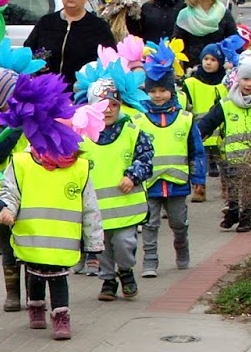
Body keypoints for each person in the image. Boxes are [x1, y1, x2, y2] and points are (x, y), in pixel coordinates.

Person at [0, 126, 104, 340]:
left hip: (63, 239)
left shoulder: (79, 167)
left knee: (58, 277)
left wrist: (93, 240)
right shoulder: (21, 162)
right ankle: (36, 306)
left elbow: (90, 206)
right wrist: (7, 209)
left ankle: (61, 316)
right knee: (35, 272)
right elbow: (10, 190)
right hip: (32, 233)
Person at [83, 84, 153, 301]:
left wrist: (132, 176)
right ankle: (108, 279)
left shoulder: (132, 131)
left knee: (124, 243)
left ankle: (125, 270)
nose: (108, 110)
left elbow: (146, 158)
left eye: (114, 104)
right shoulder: (82, 135)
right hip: (96, 208)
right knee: (101, 246)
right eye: (102, 105)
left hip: (125, 207)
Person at [135, 55, 204, 277]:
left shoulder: (185, 119)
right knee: (149, 224)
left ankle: (182, 251)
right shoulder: (139, 120)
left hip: (177, 183)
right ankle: (150, 261)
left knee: (178, 223)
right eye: (153, 91)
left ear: (171, 91)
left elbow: (196, 151)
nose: (157, 95)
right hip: (150, 183)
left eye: (162, 90)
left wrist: (199, 179)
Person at [195, 52, 251, 232]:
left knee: (250, 188)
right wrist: (194, 137)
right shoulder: (227, 103)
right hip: (231, 156)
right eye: (245, 79)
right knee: (233, 187)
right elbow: (208, 123)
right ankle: (233, 213)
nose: (249, 84)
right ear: (238, 79)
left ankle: (246, 219)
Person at [24, 0, 116, 81]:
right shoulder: (46, 23)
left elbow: (110, 61)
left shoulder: (99, 27)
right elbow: (28, 51)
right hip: (47, 88)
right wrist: (37, 62)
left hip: (81, 89)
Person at [182, 43, 228, 191]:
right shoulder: (190, 83)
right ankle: (199, 189)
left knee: (225, 163)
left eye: (213, 60)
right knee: (199, 162)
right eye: (206, 59)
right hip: (199, 130)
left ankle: (227, 189)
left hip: (221, 134)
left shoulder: (225, 84)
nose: (208, 62)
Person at [175, 0, 239, 52]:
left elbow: (235, 41)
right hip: (191, 59)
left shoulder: (223, 13)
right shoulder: (184, 15)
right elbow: (176, 44)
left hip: (218, 58)